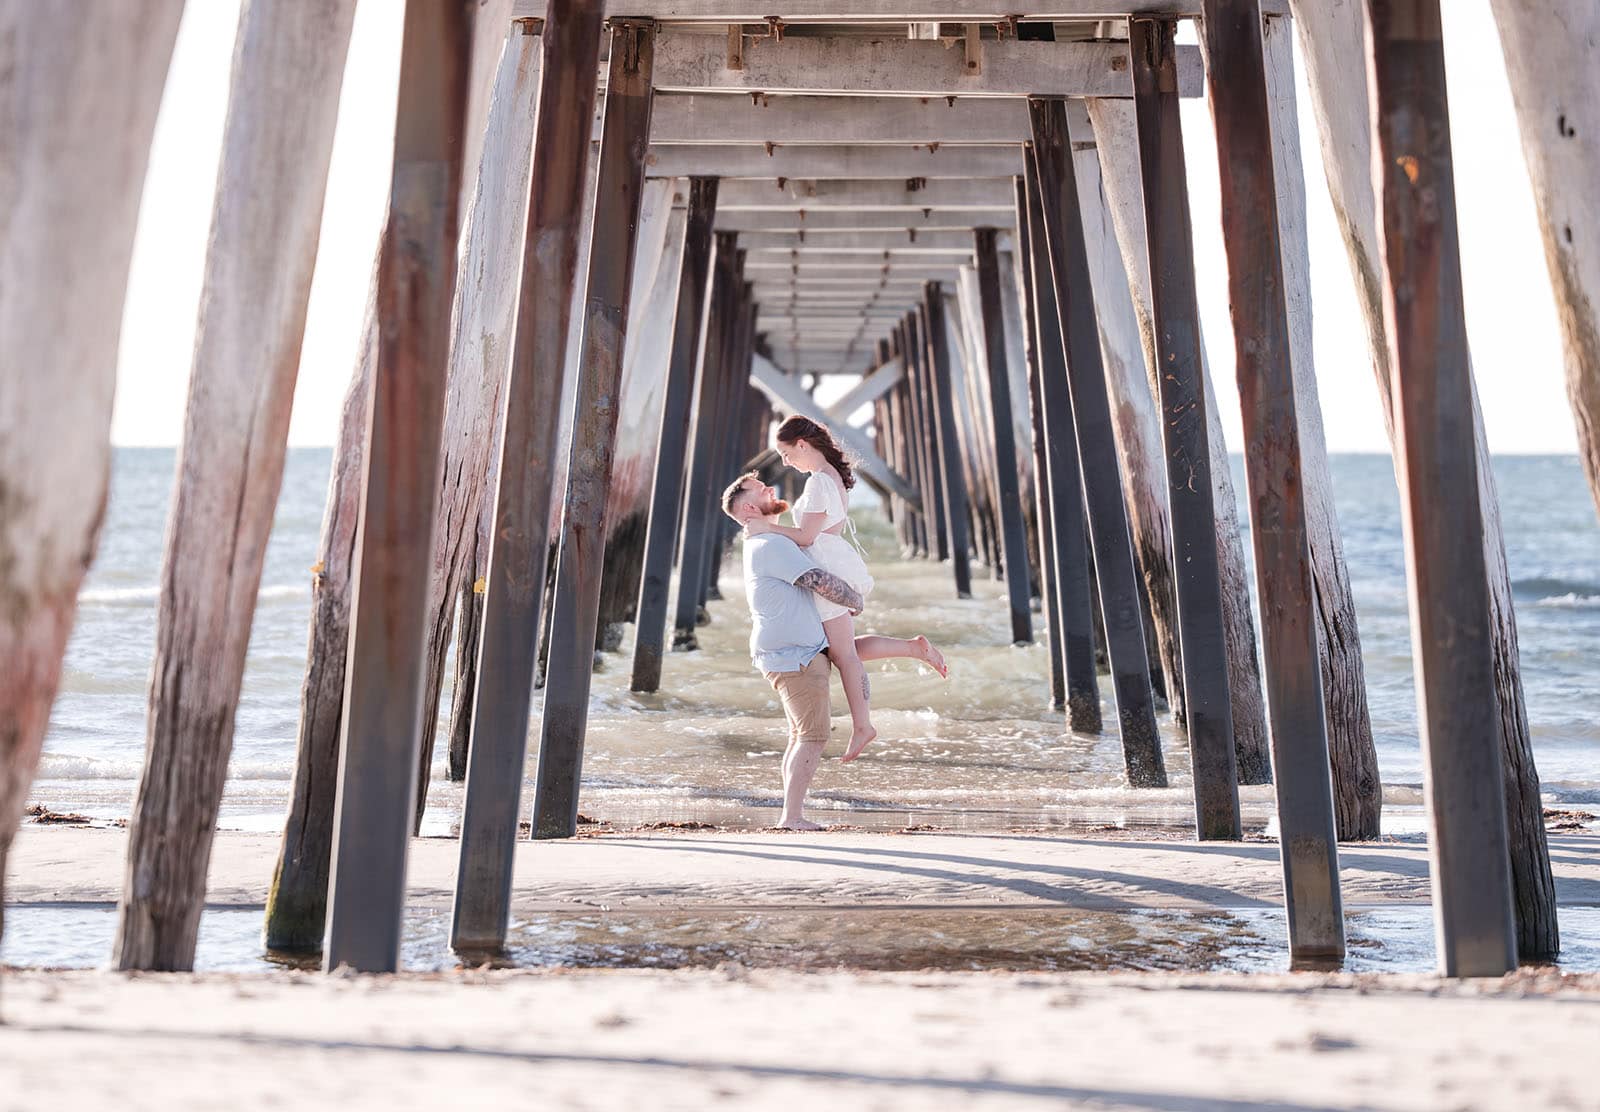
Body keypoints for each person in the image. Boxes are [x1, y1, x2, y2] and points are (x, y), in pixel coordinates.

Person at [721, 472, 945, 829]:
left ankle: (912, 648)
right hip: (794, 655)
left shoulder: (766, 542)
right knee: (813, 736)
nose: (769, 487)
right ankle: (792, 817)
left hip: (795, 649)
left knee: (803, 730)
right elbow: (818, 581)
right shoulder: (771, 546)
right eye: (759, 489)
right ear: (749, 507)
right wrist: (854, 599)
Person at [744, 416, 946, 762]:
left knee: (842, 654)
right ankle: (912, 649)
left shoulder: (820, 482)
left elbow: (807, 537)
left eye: (786, 453)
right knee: (837, 649)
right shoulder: (828, 478)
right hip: (830, 563)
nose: (784, 462)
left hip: (827, 569)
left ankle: (864, 724)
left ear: (803, 445)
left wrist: (763, 529)